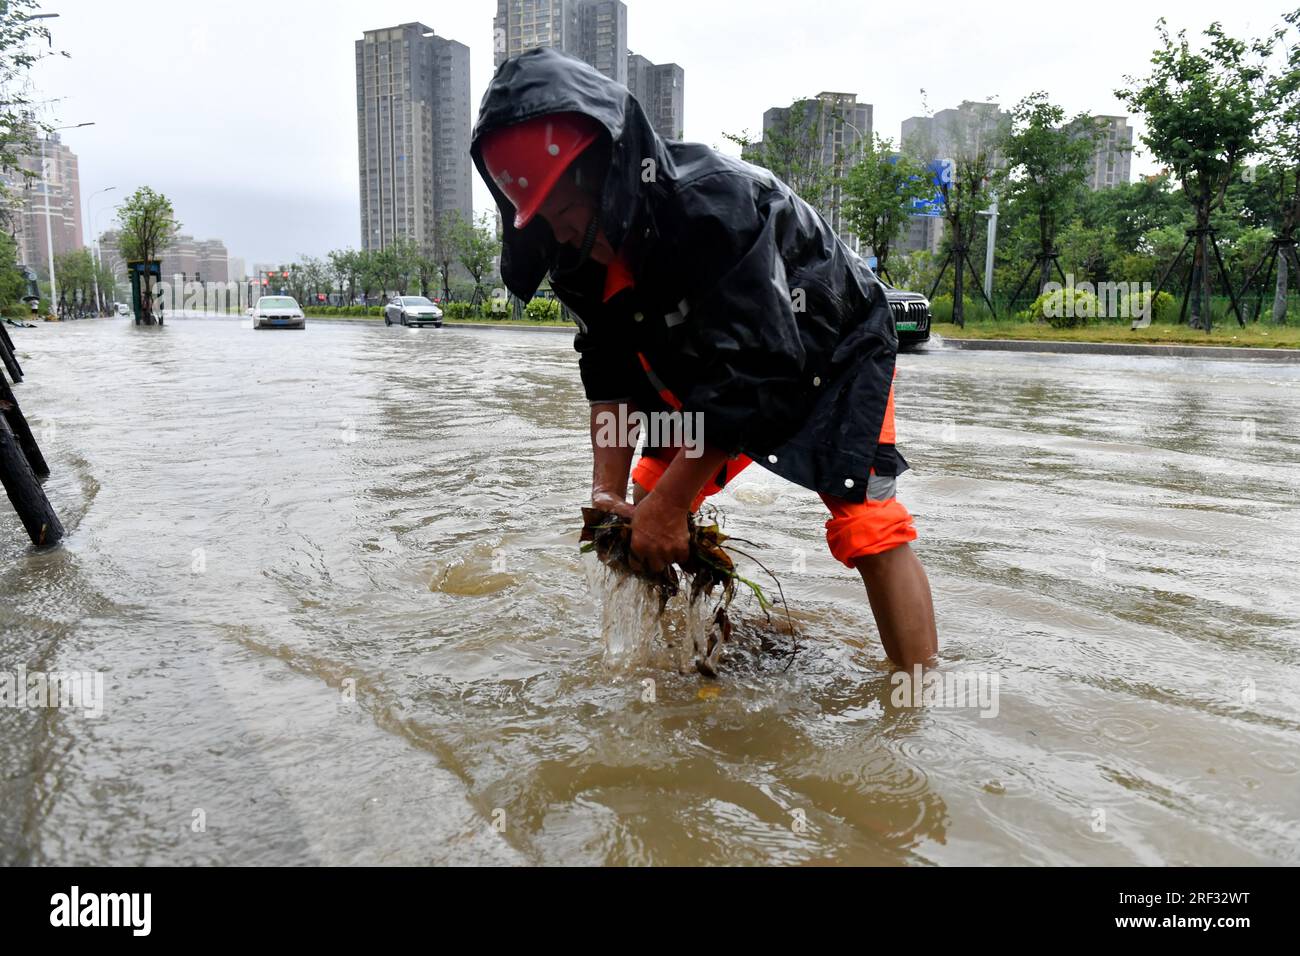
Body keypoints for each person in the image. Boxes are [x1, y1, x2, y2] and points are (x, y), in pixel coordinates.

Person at [472, 49, 937, 668]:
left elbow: (760, 365)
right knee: (639, 513)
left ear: (606, 176)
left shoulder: (711, 207)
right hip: (710, 370)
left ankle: (915, 701)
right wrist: (609, 491)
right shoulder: (572, 255)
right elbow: (607, 370)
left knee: (865, 518)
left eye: (565, 211)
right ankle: (673, 667)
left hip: (833, 346)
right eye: (543, 220)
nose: (557, 233)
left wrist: (669, 507)